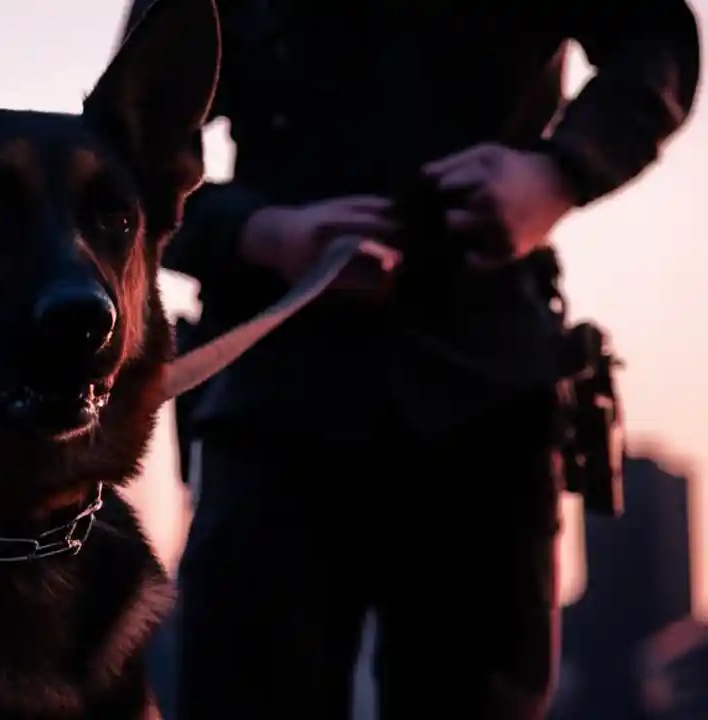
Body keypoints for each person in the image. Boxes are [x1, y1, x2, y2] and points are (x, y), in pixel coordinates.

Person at [116, 0, 701, 718]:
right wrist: (264, 235)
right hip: (277, 394)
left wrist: (556, 177)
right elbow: (133, 142)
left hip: (482, 401)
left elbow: (658, 39)